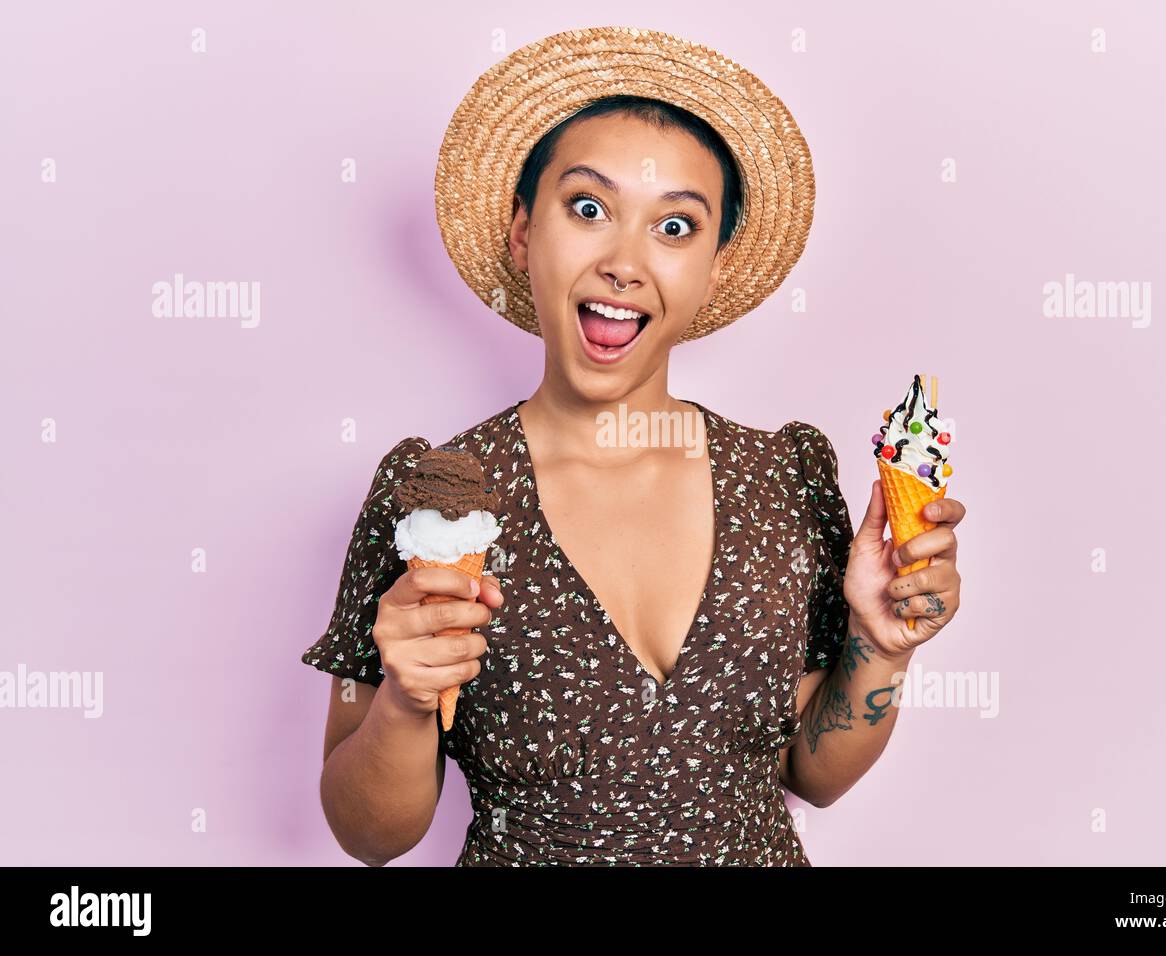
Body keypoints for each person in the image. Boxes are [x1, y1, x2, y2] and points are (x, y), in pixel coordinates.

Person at [300, 27, 966, 866]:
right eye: (588, 209)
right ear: (521, 234)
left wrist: (878, 643)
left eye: (676, 226)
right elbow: (368, 836)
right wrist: (404, 697)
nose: (624, 261)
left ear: (716, 268)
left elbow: (816, 775)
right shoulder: (439, 493)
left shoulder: (782, 480)